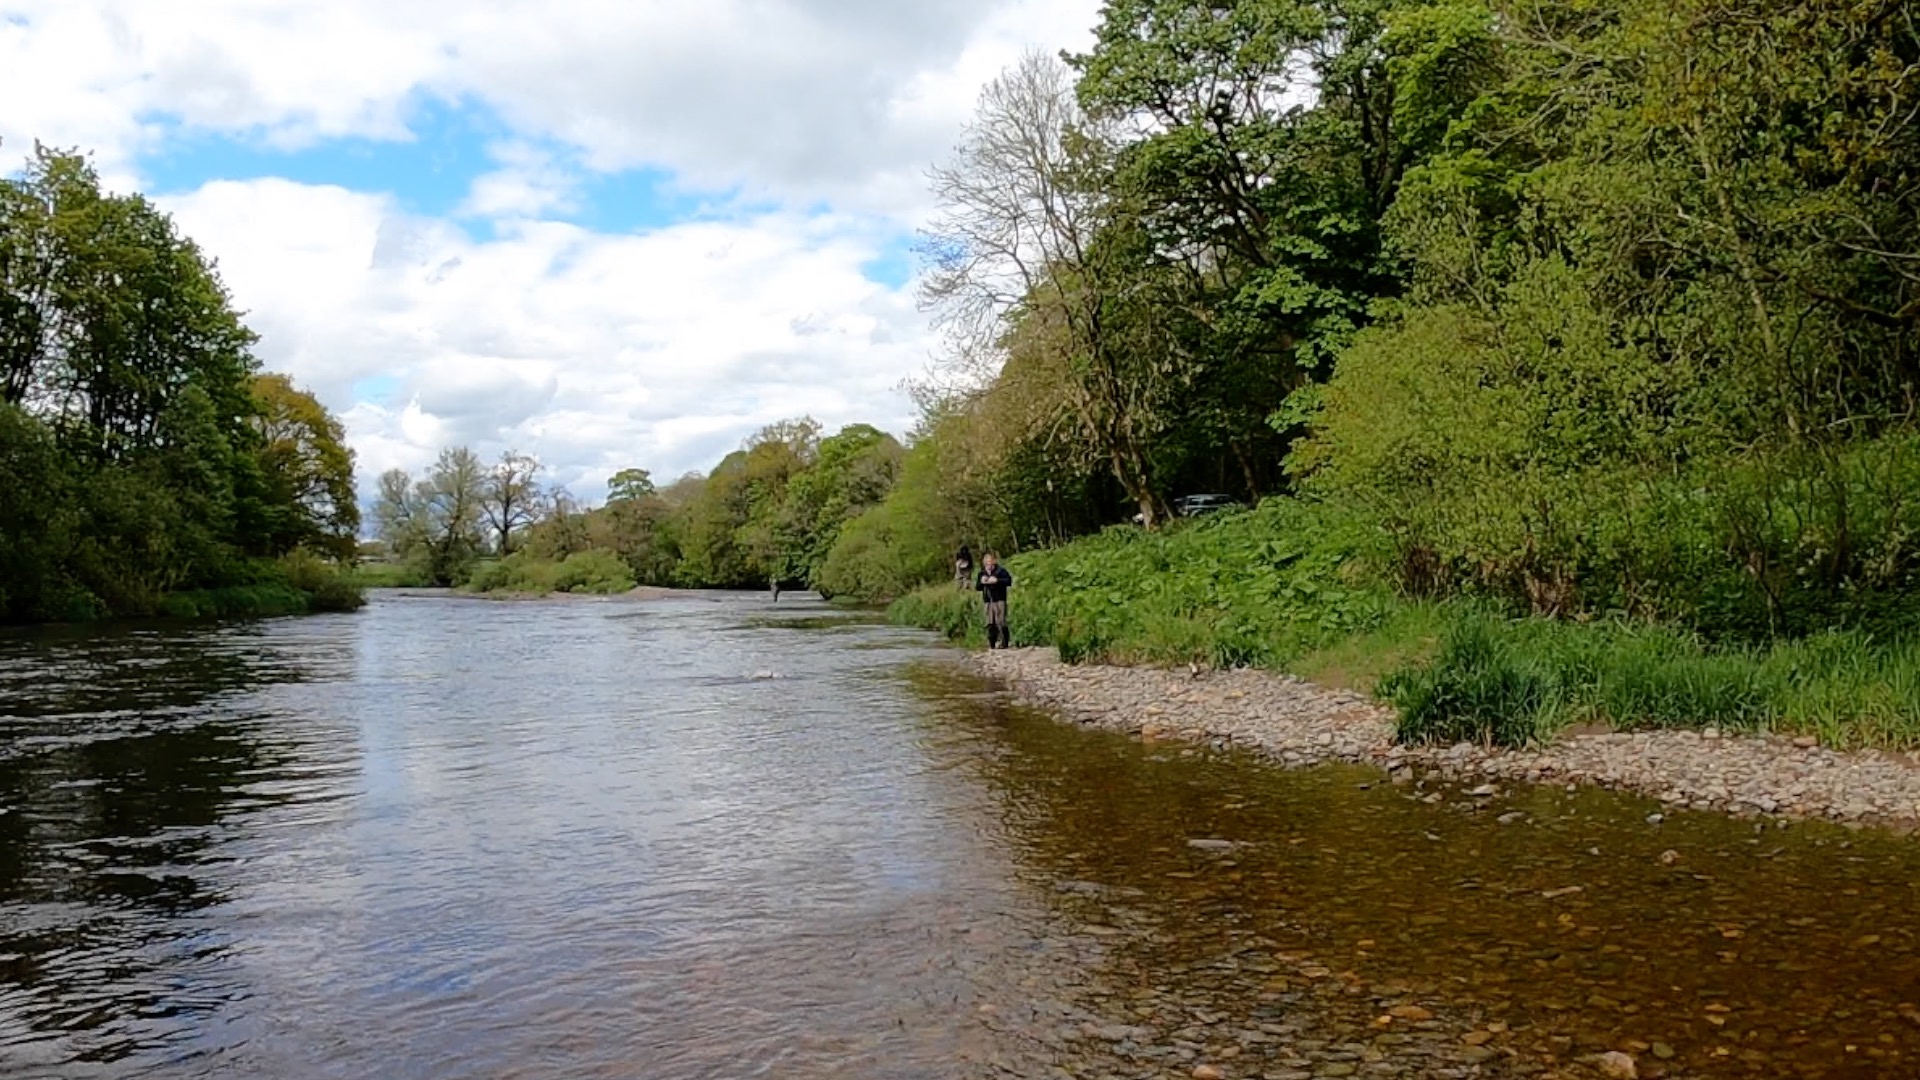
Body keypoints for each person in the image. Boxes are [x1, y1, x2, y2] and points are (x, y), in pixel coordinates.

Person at [975, 552, 1013, 649]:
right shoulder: (981, 573)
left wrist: (997, 581)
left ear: (994, 562)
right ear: (984, 563)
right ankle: (992, 644)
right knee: (990, 622)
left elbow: (1009, 581)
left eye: (990, 562)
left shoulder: (1001, 571)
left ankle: (1005, 643)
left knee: (1001, 621)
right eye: (987, 563)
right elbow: (977, 587)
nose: (989, 565)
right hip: (988, 601)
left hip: (1000, 599)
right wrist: (982, 582)